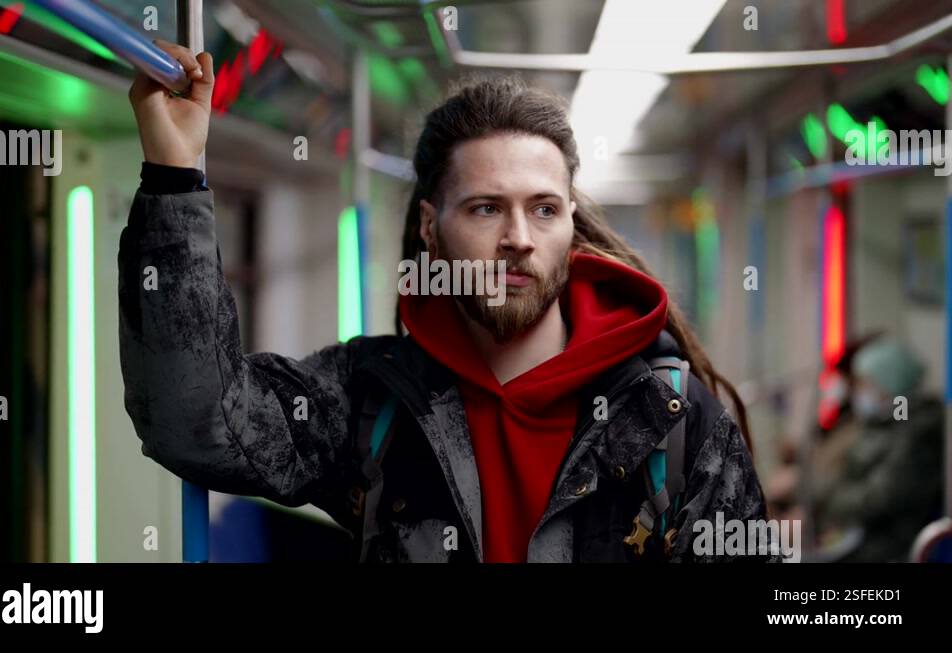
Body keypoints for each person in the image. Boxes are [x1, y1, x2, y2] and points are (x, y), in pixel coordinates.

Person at [119, 41, 774, 563]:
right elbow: (198, 421)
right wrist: (176, 176)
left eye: (543, 209)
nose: (518, 239)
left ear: (570, 222)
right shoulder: (373, 399)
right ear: (432, 228)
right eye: (486, 208)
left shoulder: (670, 417)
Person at [820, 338, 944, 562]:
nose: (858, 392)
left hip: (887, 548)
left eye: (865, 383)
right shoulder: (886, 422)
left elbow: (879, 498)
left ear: (888, 385)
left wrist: (834, 500)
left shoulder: (915, 431)